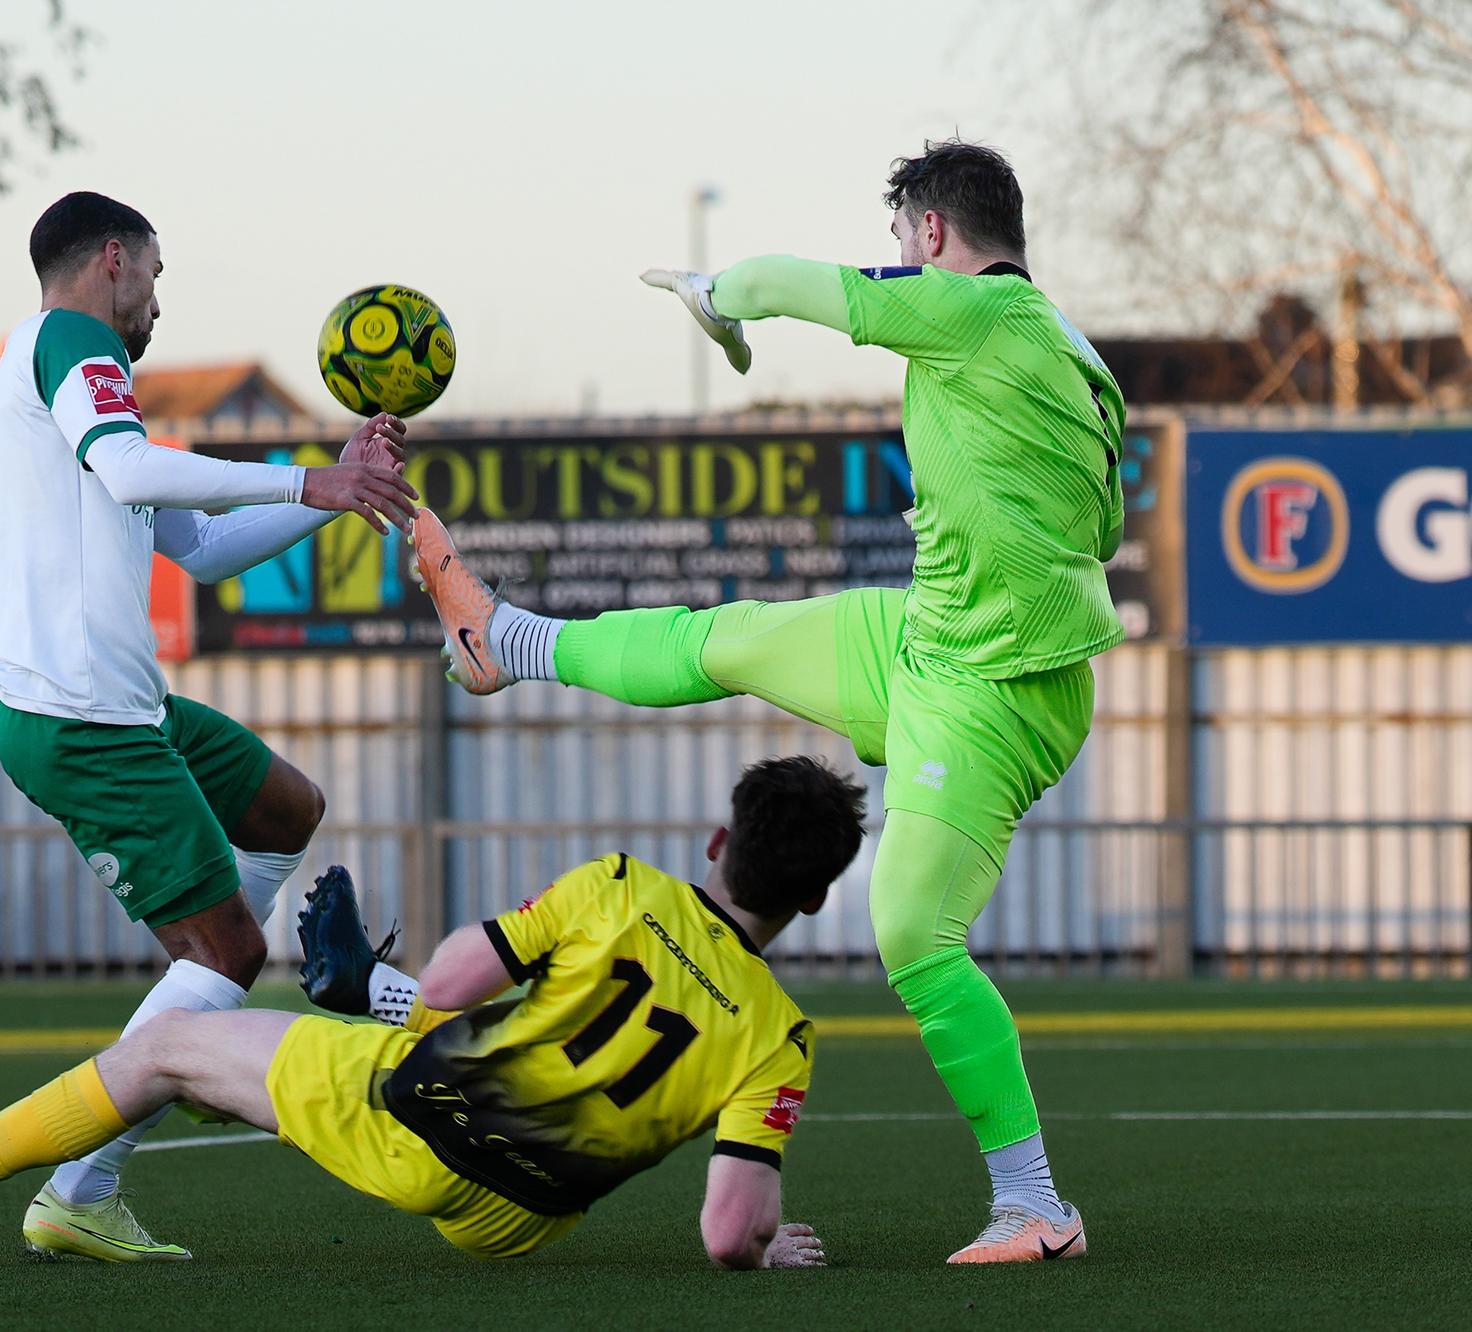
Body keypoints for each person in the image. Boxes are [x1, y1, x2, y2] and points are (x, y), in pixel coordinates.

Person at [411, 140, 1122, 1264]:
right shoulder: (1075, 355)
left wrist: (714, 294)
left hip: (994, 691)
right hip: (929, 637)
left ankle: (1036, 1207)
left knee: (912, 935)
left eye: (904, 238)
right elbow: (1097, 531)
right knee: (728, 637)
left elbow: (797, 285)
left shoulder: (978, 312)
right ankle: (508, 640)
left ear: (933, 232)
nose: (902, 258)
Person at [0, 754, 862, 1267]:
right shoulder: (781, 1039)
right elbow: (728, 1232)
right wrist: (763, 1247)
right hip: (519, 1222)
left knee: (165, 1048)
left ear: (718, 845)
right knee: (496, 1049)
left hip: (408, 1126)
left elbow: (451, 985)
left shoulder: (625, 887)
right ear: (814, 899)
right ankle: (346, 1003)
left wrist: (422, 984)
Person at [0, 190, 418, 1261]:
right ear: (112, 260)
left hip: (126, 706)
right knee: (229, 951)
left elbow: (205, 548)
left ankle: (203, 1007)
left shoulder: (85, 393)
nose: (158, 302)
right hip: (80, 715)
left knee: (285, 808)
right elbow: (131, 468)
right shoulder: (70, 339)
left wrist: (335, 485)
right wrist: (312, 476)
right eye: (155, 276)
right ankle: (80, 1185)